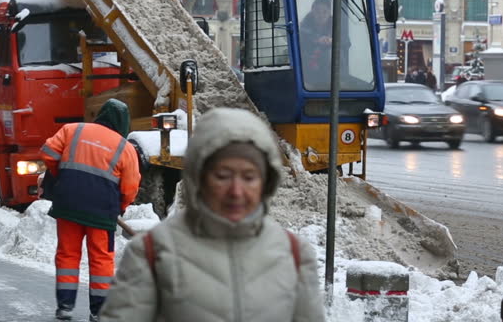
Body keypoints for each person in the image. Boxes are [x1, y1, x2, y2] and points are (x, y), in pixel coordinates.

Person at [99, 108, 326, 322]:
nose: (236, 191)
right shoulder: (152, 254)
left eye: (249, 177)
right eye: (222, 175)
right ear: (199, 177)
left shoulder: (295, 256)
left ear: (266, 182)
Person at [39, 98, 141, 322]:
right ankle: (99, 311)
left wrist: (62, 176)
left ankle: (65, 306)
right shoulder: (126, 148)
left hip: (68, 204)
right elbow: (130, 187)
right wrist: (120, 206)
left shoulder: (72, 129)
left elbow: (48, 152)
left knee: (67, 254)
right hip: (102, 212)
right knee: (101, 260)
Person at [299, 0, 333, 90]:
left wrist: (334, 41)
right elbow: (304, 38)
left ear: (330, 12)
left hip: (331, 75)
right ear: (312, 11)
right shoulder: (305, 24)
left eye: (325, 12)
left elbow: (345, 42)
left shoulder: (337, 26)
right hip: (308, 74)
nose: (321, 15)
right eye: (317, 11)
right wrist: (317, 40)